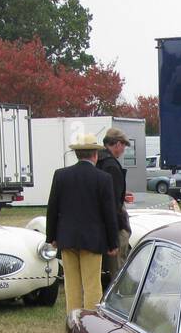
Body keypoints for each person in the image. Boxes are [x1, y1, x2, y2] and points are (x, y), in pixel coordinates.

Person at [46, 132, 118, 312]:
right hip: (93, 240)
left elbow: (52, 208)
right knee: (92, 284)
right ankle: (91, 323)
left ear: (77, 154)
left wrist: (51, 237)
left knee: (72, 285)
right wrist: (113, 242)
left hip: (67, 238)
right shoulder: (103, 178)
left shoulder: (61, 175)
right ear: (95, 154)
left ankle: (73, 323)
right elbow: (109, 213)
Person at [97, 127, 133, 280]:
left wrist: (121, 194)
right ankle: (119, 298)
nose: (123, 149)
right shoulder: (111, 165)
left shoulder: (98, 161)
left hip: (100, 224)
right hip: (115, 226)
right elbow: (111, 201)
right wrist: (122, 225)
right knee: (118, 267)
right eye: (123, 145)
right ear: (117, 144)